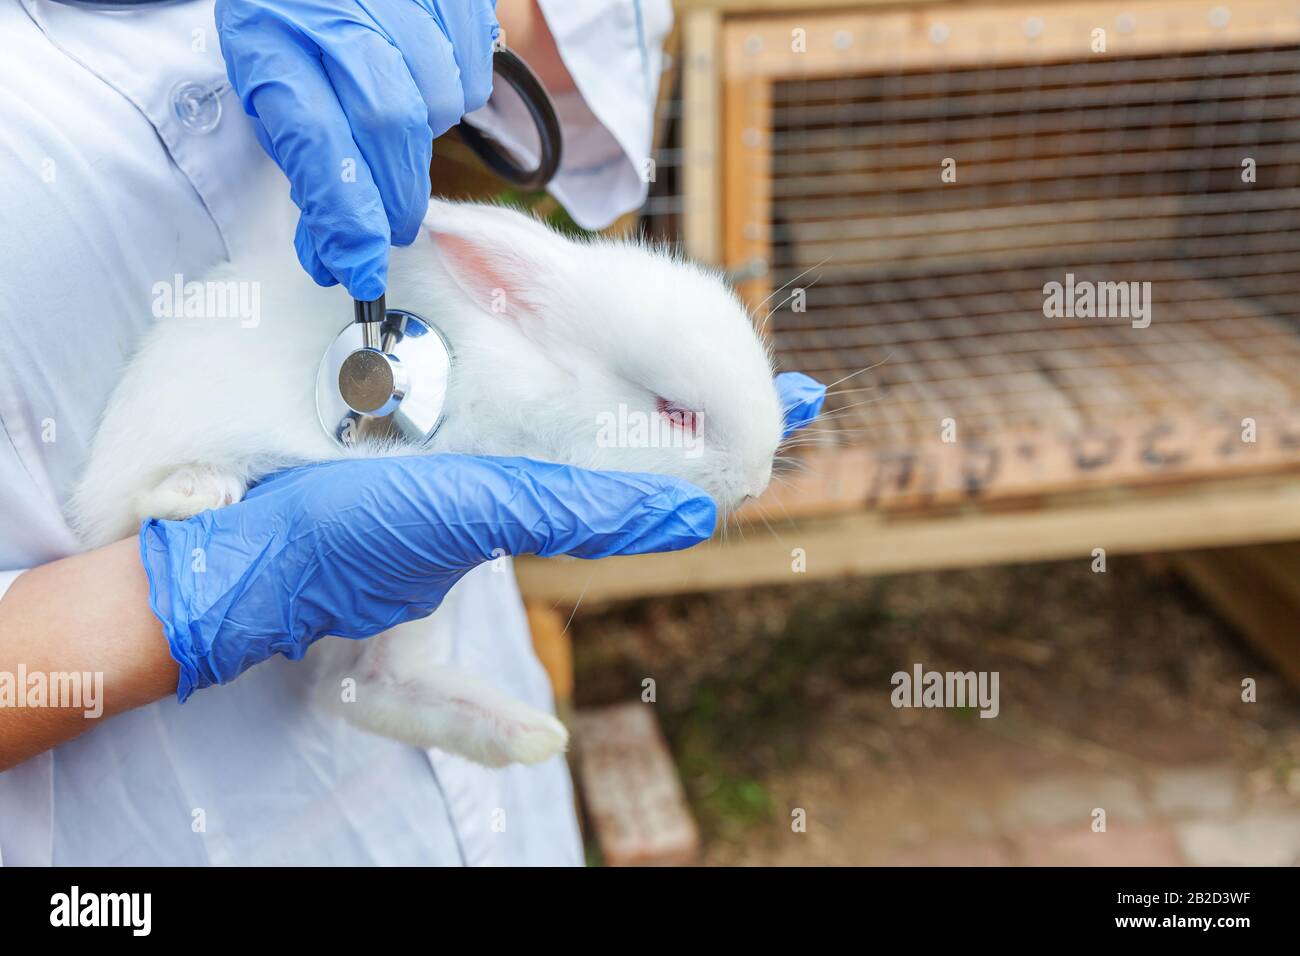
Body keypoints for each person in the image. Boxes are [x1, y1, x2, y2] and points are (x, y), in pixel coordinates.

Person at [0, 0, 823, 865]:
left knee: (419, 547)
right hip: (127, 827)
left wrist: (473, 14)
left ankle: (392, 675)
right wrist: (177, 598)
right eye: (682, 420)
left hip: (477, 791)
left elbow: (580, 29)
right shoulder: (528, 324)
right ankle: (191, 503)